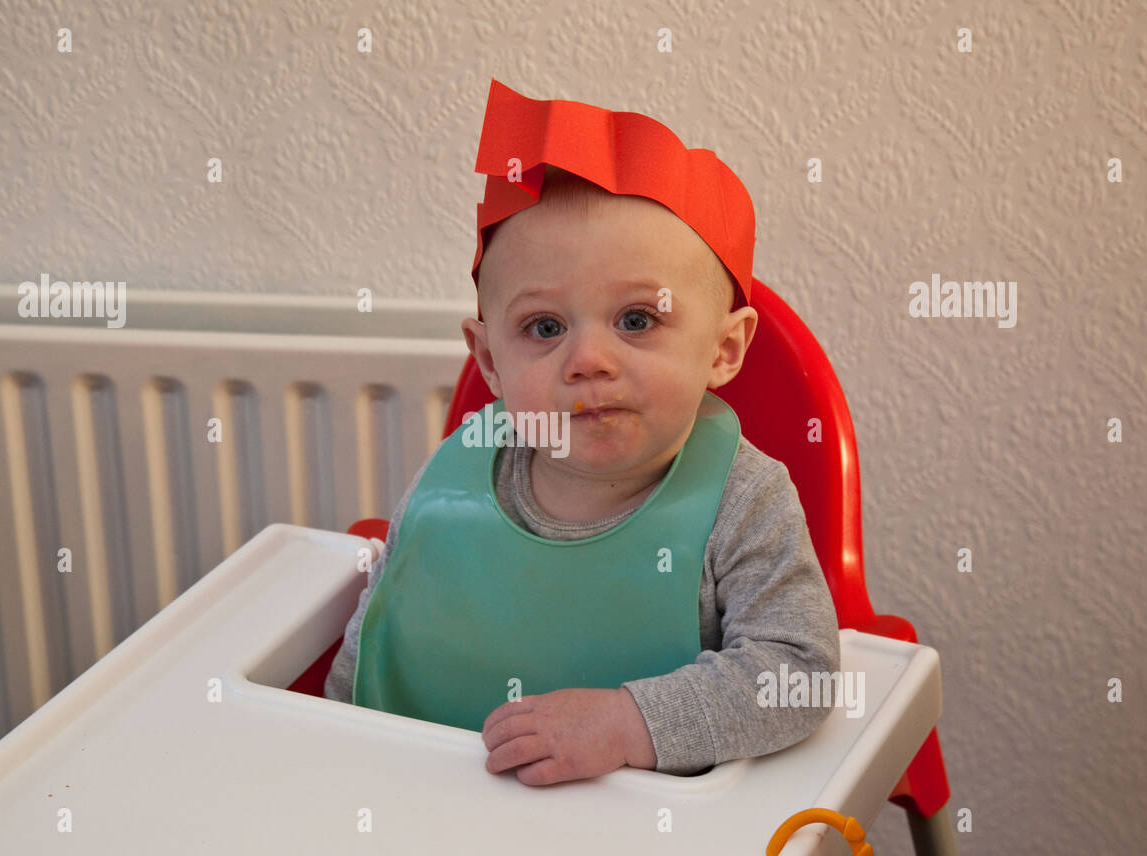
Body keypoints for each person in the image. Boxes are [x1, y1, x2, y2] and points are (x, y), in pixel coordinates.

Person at [325, 80, 839, 786]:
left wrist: (627, 724)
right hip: (438, 808)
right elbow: (385, 633)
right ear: (489, 361)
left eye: (637, 320)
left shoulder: (743, 501)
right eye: (544, 327)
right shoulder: (455, 478)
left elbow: (799, 673)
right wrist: (334, 756)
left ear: (724, 349)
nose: (589, 361)